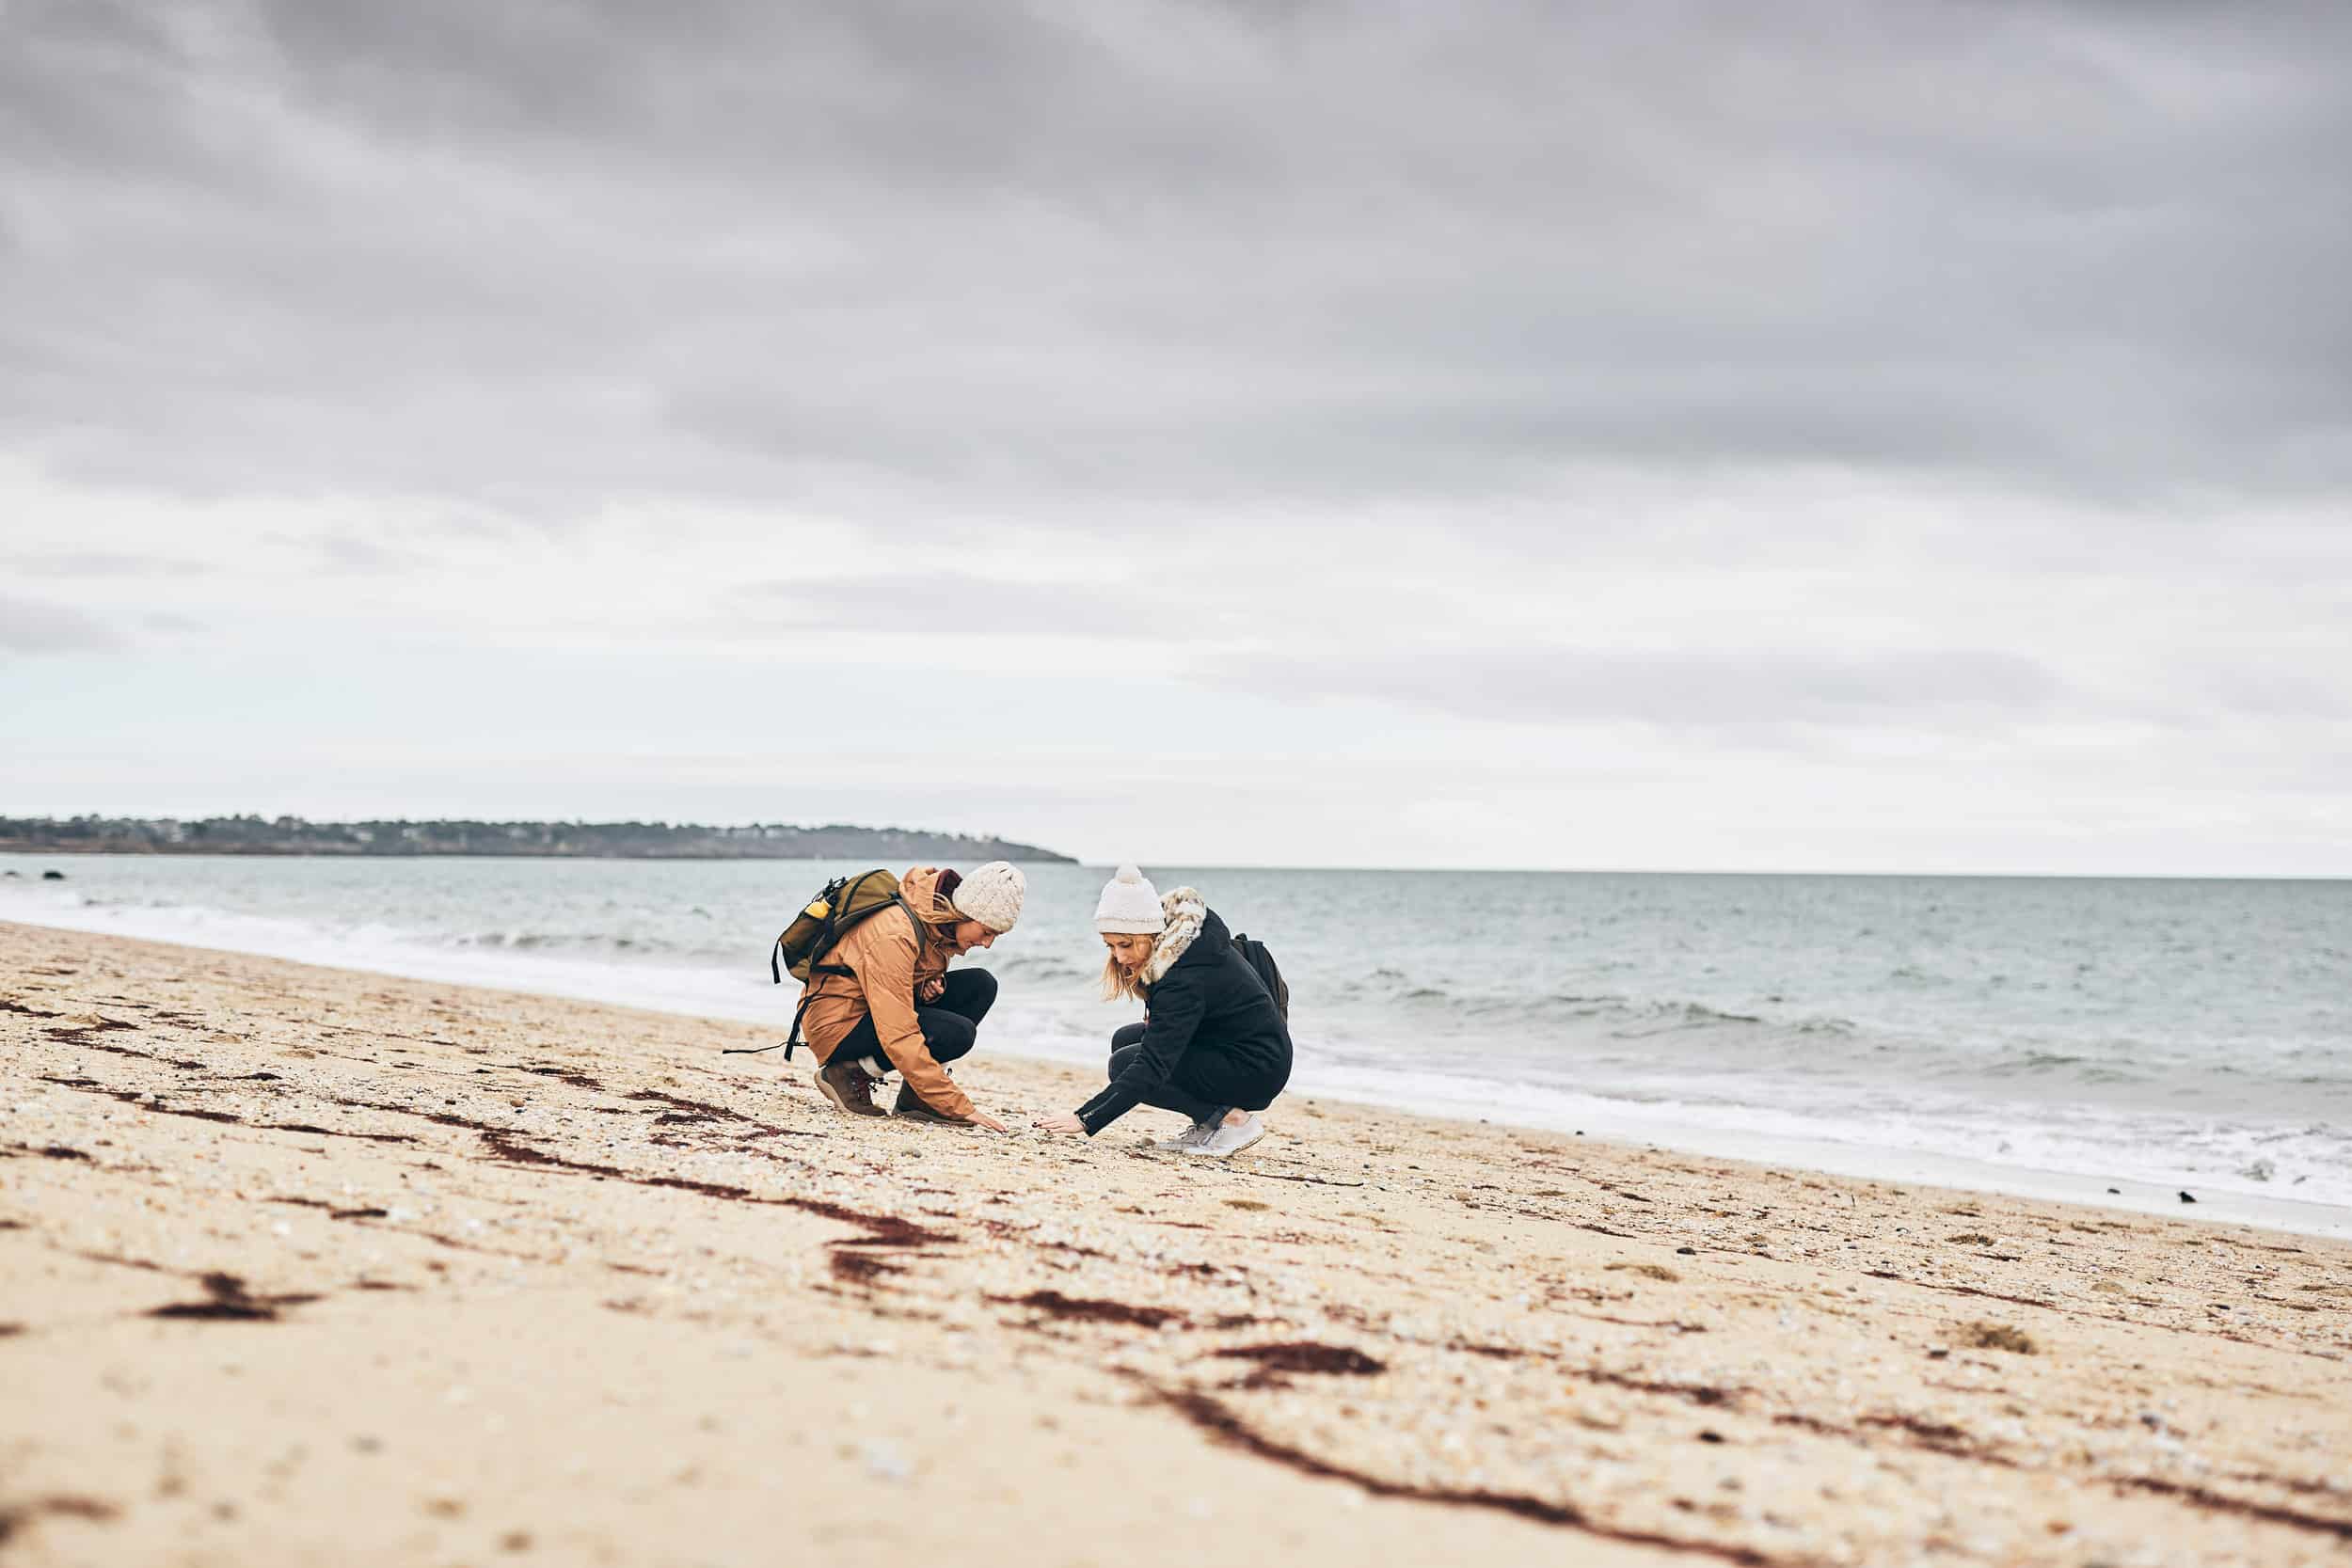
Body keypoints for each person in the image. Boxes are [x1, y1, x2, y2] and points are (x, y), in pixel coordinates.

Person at [1032, 865, 1290, 1155]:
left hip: (1256, 1069)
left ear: (1151, 933)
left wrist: (1085, 1118)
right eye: (1111, 946)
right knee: (1124, 1039)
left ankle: (1232, 1121)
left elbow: (1153, 1064)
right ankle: (1208, 1124)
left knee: (1123, 1063)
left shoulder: (1182, 973)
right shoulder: (1184, 944)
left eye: (1126, 944)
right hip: (1240, 1051)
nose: (1120, 957)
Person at [798, 862, 1025, 1132]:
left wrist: (925, 987)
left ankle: (915, 1100)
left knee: (980, 985)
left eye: (996, 936)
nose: (987, 944)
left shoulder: (939, 925)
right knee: (956, 1033)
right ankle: (847, 1073)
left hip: (868, 1007)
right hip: (836, 1024)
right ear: (964, 912)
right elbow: (899, 1032)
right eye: (987, 932)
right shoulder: (894, 933)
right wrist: (957, 1106)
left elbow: (891, 985)